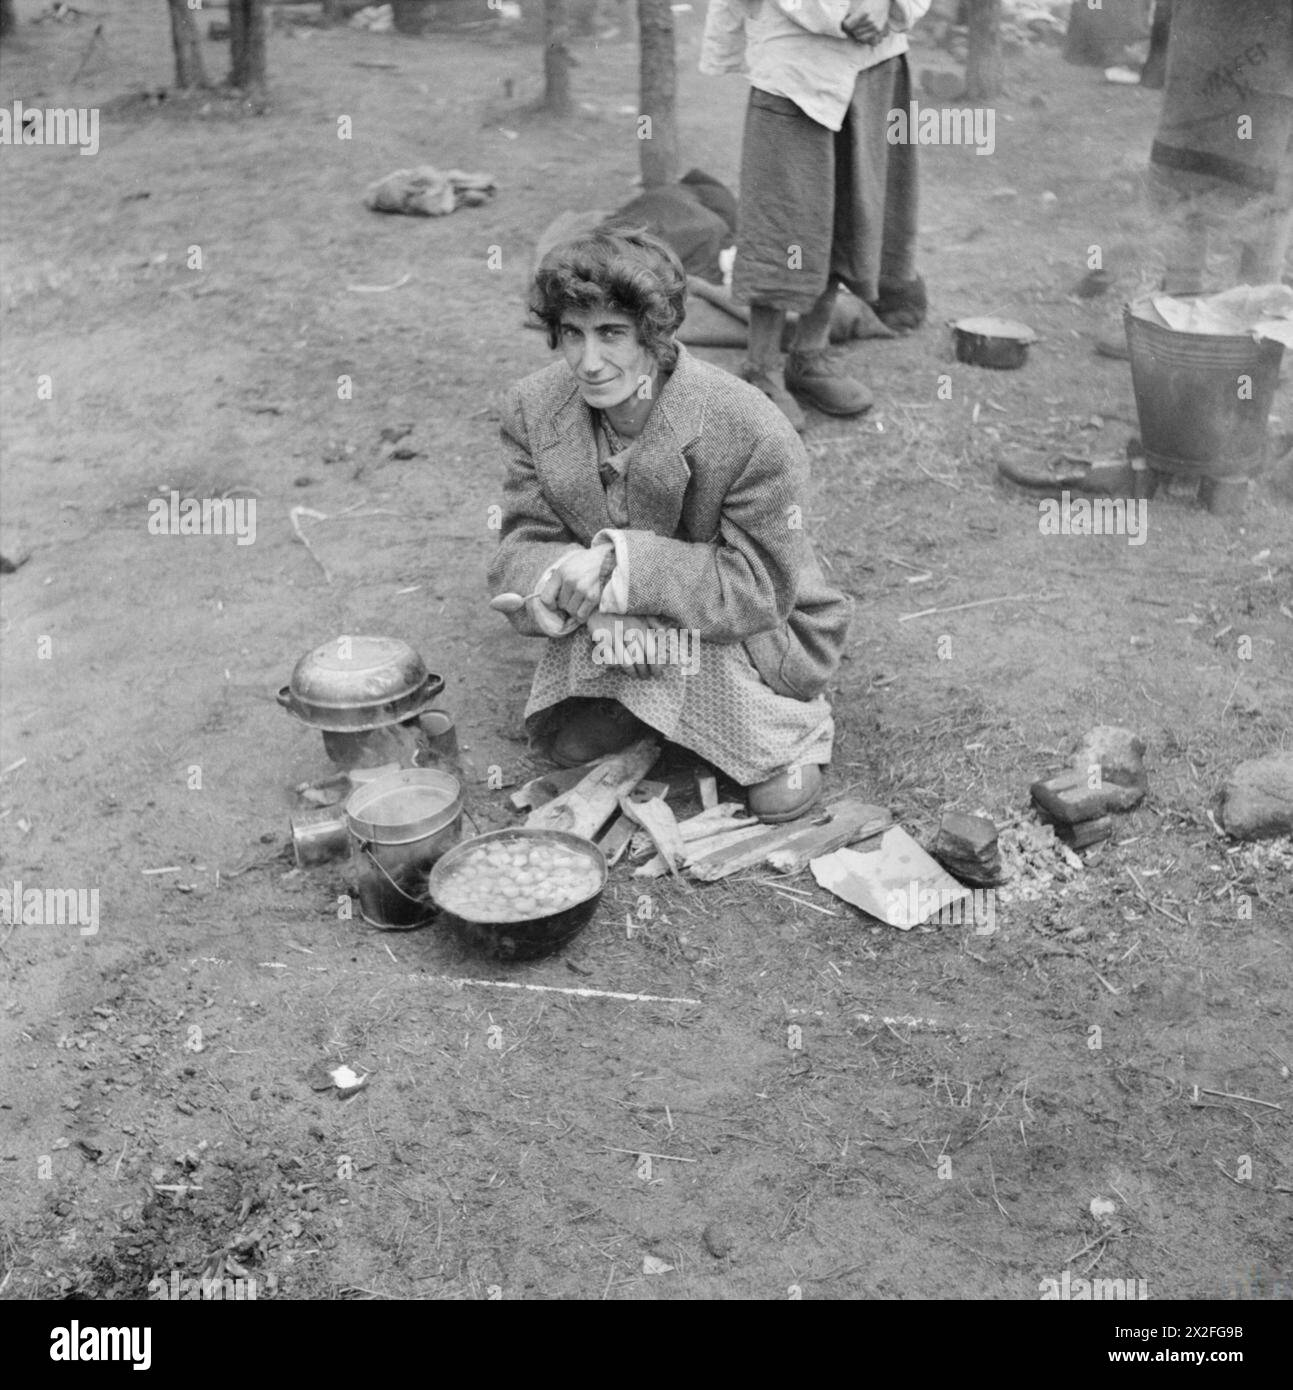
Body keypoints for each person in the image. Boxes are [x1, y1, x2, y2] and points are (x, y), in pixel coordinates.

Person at [487, 228, 852, 823]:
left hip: (741, 619)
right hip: (604, 615)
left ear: (655, 336)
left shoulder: (750, 427)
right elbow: (522, 541)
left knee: (771, 788)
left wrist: (615, 565)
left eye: (611, 334)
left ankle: (786, 736)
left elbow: (755, 588)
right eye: (572, 335)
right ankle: (636, 706)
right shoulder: (534, 407)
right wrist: (564, 591)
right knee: (567, 741)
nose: (589, 361)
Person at [701, 0, 932, 430]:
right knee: (786, 220)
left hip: (873, 58)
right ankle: (761, 370)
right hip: (797, 63)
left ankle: (809, 356)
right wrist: (840, 14)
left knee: (848, 212)